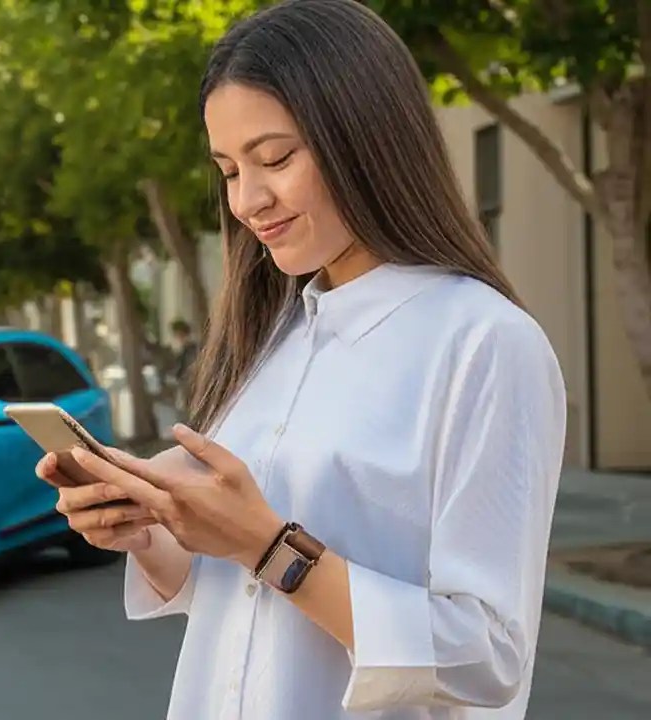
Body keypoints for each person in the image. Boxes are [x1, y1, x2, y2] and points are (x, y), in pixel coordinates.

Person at [38, 2, 566, 718]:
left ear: (366, 137)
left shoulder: (484, 344)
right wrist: (147, 530)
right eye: (227, 169)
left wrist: (268, 547)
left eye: (276, 158)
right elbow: (236, 602)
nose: (248, 201)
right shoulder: (272, 338)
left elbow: (490, 657)